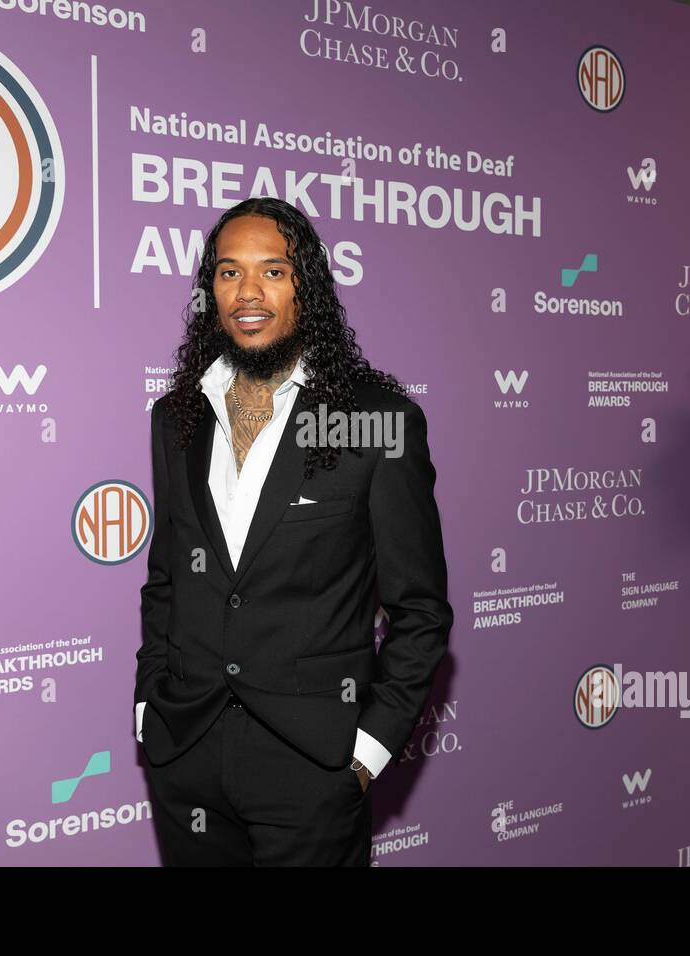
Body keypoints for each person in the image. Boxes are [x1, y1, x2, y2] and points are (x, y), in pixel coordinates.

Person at [134, 196, 452, 866]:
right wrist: (149, 705)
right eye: (228, 272)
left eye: (272, 272)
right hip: (184, 753)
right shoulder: (176, 419)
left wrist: (363, 754)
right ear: (209, 290)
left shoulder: (373, 421)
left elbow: (419, 611)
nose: (248, 292)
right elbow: (167, 577)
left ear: (306, 285)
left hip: (312, 768)